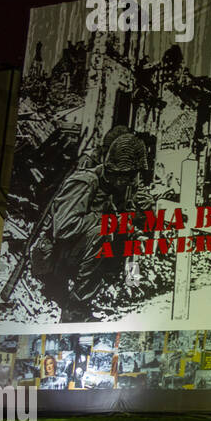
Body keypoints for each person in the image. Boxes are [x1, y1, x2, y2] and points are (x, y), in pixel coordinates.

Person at [29, 128, 154, 320]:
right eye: (128, 175)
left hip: (77, 253)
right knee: (101, 232)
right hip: (55, 257)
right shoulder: (85, 182)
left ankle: (124, 286)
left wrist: (131, 228)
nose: (131, 181)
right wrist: (111, 221)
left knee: (127, 233)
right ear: (114, 171)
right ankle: (74, 310)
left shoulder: (117, 188)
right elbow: (64, 228)